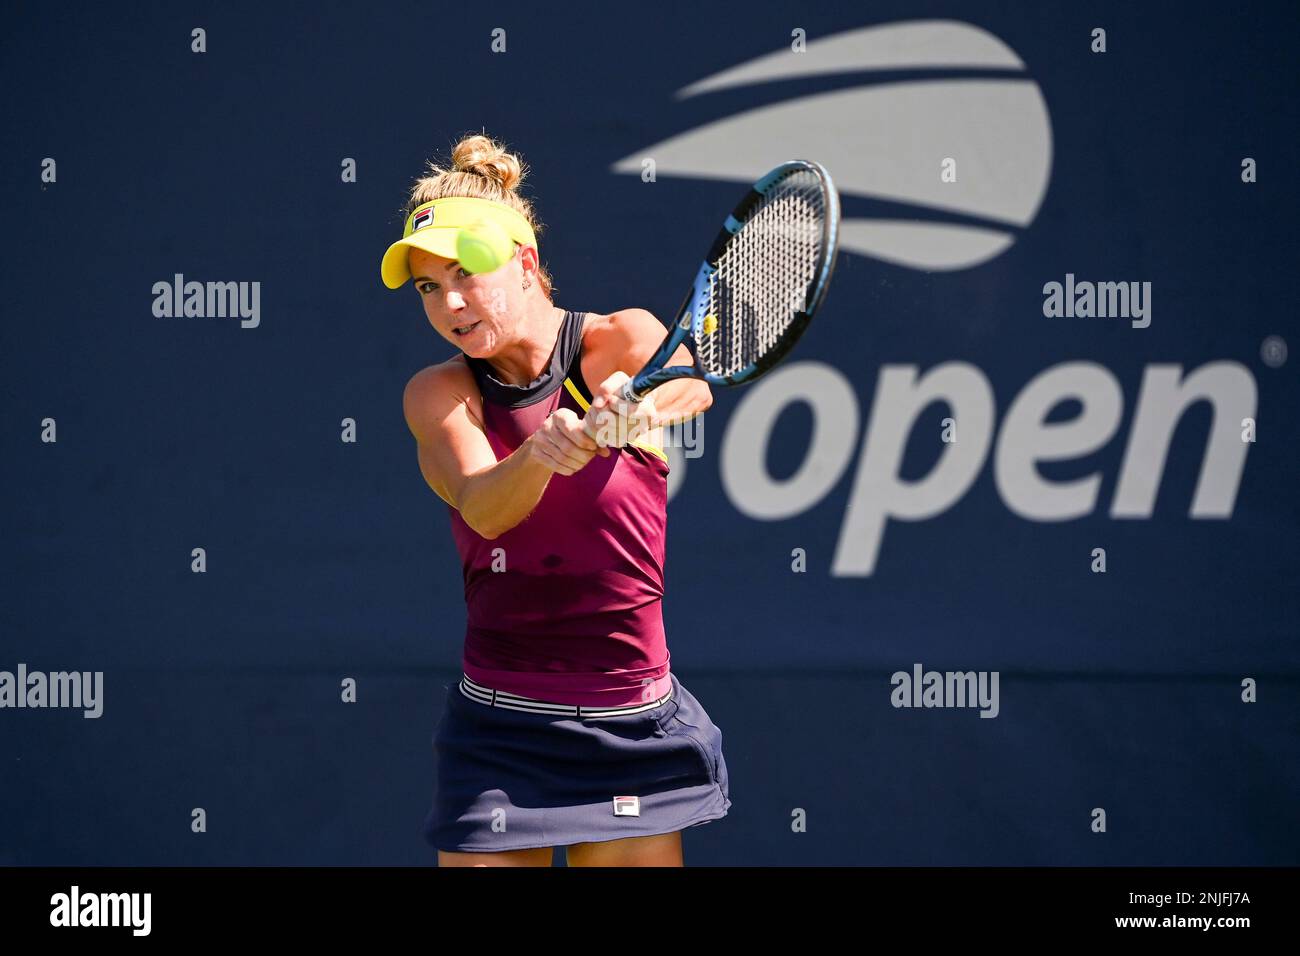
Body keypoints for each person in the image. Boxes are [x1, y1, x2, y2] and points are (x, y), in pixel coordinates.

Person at [381, 133, 731, 867]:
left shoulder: (617, 339)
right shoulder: (438, 393)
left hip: (633, 723)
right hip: (498, 732)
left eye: (465, 273)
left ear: (525, 263)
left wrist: (636, 409)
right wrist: (543, 452)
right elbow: (484, 507)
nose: (450, 303)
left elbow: (688, 384)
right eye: (427, 287)